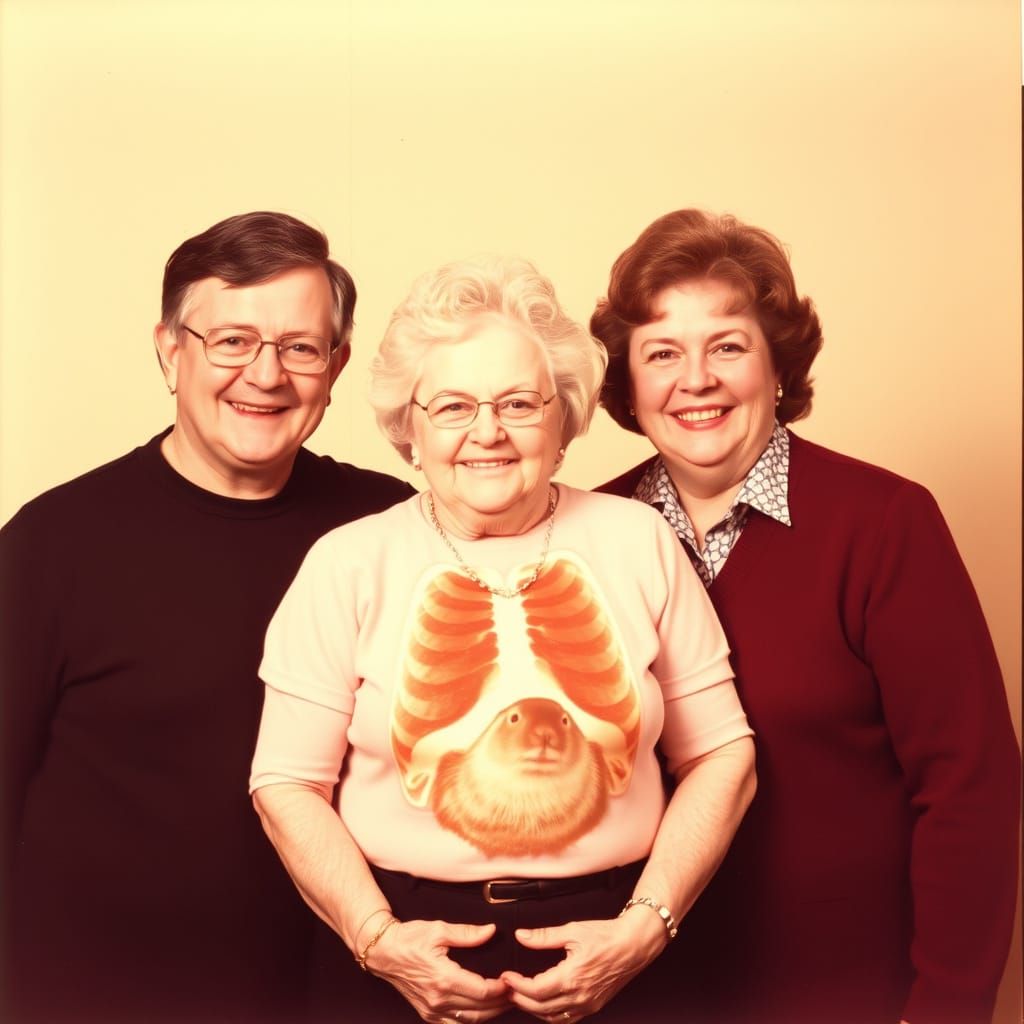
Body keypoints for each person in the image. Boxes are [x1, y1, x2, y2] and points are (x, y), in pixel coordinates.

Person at [248, 254, 757, 1023]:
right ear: (408, 429)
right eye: (452, 407)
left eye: (519, 403)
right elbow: (285, 783)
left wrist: (646, 928)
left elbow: (723, 753)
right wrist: (377, 937)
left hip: (622, 943)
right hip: (397, 956)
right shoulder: (348, 562)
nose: (487, 431)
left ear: (563, 420)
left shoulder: (639, 539)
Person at [591, 208, 1021, 1024]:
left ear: (778, 365)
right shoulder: (590, 532)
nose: (697, 379)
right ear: (628, 386)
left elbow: (970, 790)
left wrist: (947, 1010)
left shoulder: (885, 523)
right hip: (641, 997)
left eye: (727, 345)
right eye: (661, 353)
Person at [0, 211, 413, 1024]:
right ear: (169, 349)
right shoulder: (51, 545)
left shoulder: (391, 529)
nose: (266, 375)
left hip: (349, 994)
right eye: (231, 341)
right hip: (97, 999)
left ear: (335, 366)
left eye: (299, 348)